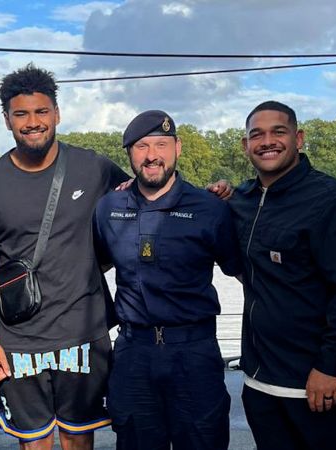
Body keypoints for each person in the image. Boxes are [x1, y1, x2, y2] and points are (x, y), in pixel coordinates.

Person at [0, 64, 129, 450]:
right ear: (7, 119)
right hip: (18, 340)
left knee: (78, 435)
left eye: (41, 112)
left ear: (57, 113)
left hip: (83, 332)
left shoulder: (93, 167)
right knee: (33, 440)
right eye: (21, 114)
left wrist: (211, 194)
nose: (32, 122)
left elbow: (145, 194)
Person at [92, 110, 242, 449]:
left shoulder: (209, 207)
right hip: (133, 351)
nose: (152, 156)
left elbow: (242, 270)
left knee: (203, 439)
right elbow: (93, 267)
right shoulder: (108, 208)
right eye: (141, 146)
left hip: (194, 350)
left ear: (178, 148)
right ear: (128, 153)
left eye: (161, 144)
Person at [228, 101, 336, 450]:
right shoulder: (242, 200)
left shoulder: (334, 202)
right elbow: (236, 265)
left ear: (298, 138)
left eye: (278, 132)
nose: (267, 141)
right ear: (245, 146)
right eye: (256, 135)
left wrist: (331, 366)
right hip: (262, 383)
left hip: (317, 385)